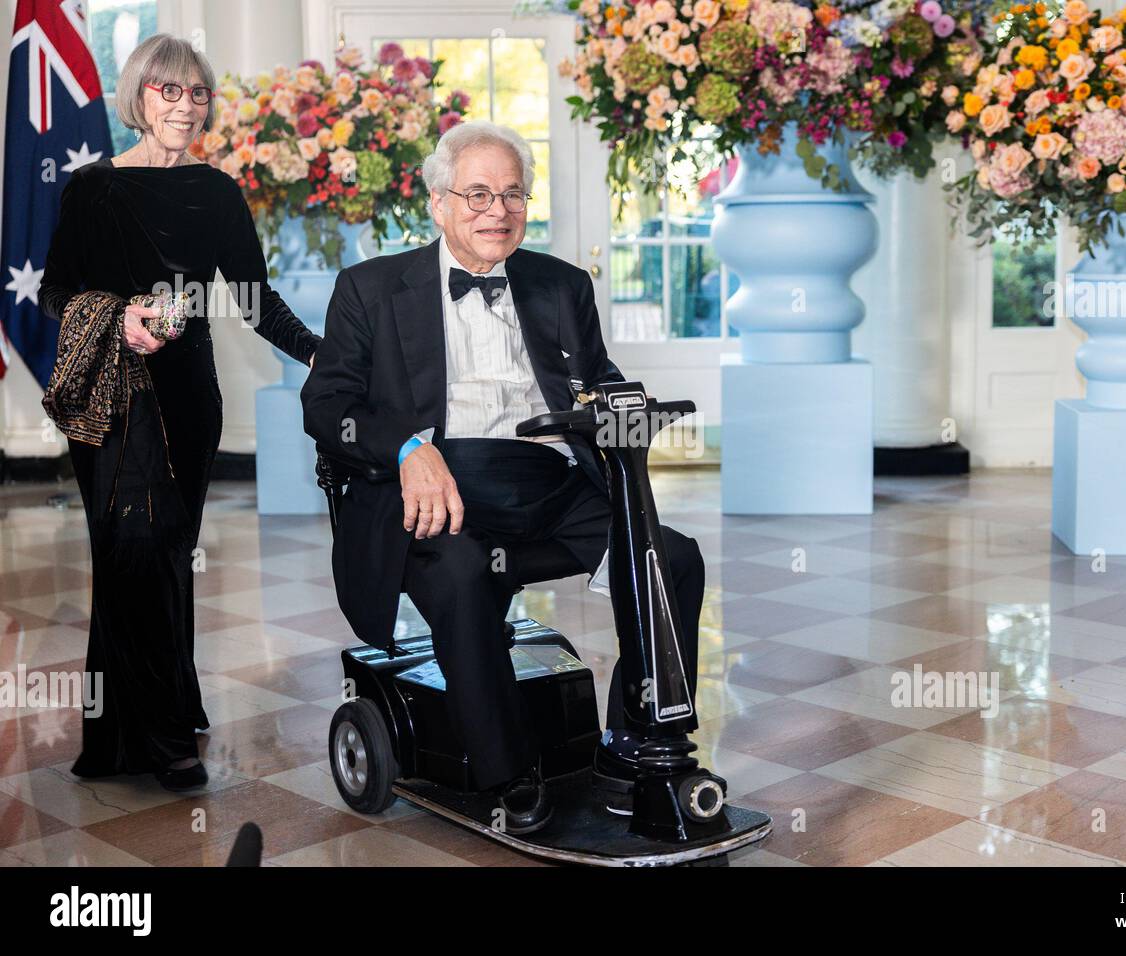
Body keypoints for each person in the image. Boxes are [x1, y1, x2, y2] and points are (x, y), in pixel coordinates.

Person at [302, 120, 706, 833]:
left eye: (513, 195)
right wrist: (405, 450)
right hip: (436, 487)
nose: (498, 211)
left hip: (547, 484)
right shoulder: (369, 289)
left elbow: (597, 382)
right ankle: (505, 771)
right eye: (478, 194)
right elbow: (327, 404)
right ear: (438, 202)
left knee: (672, 557)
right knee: (462, 576)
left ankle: (632, 748)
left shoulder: (560, 284)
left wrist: (621, 406)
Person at [37, 35, 320, 791]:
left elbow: (255, 302)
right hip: (113, 401)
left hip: (190, 402)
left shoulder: (218, 193)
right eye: (169, 90)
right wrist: (115, 314)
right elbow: (53, 293)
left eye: (197, 93)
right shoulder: (93, 190)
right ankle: (158, 739)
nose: (184, 105)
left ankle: (154, 711)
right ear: (139, 95)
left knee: (164, 557)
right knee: (132, 554)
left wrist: (327, 352)